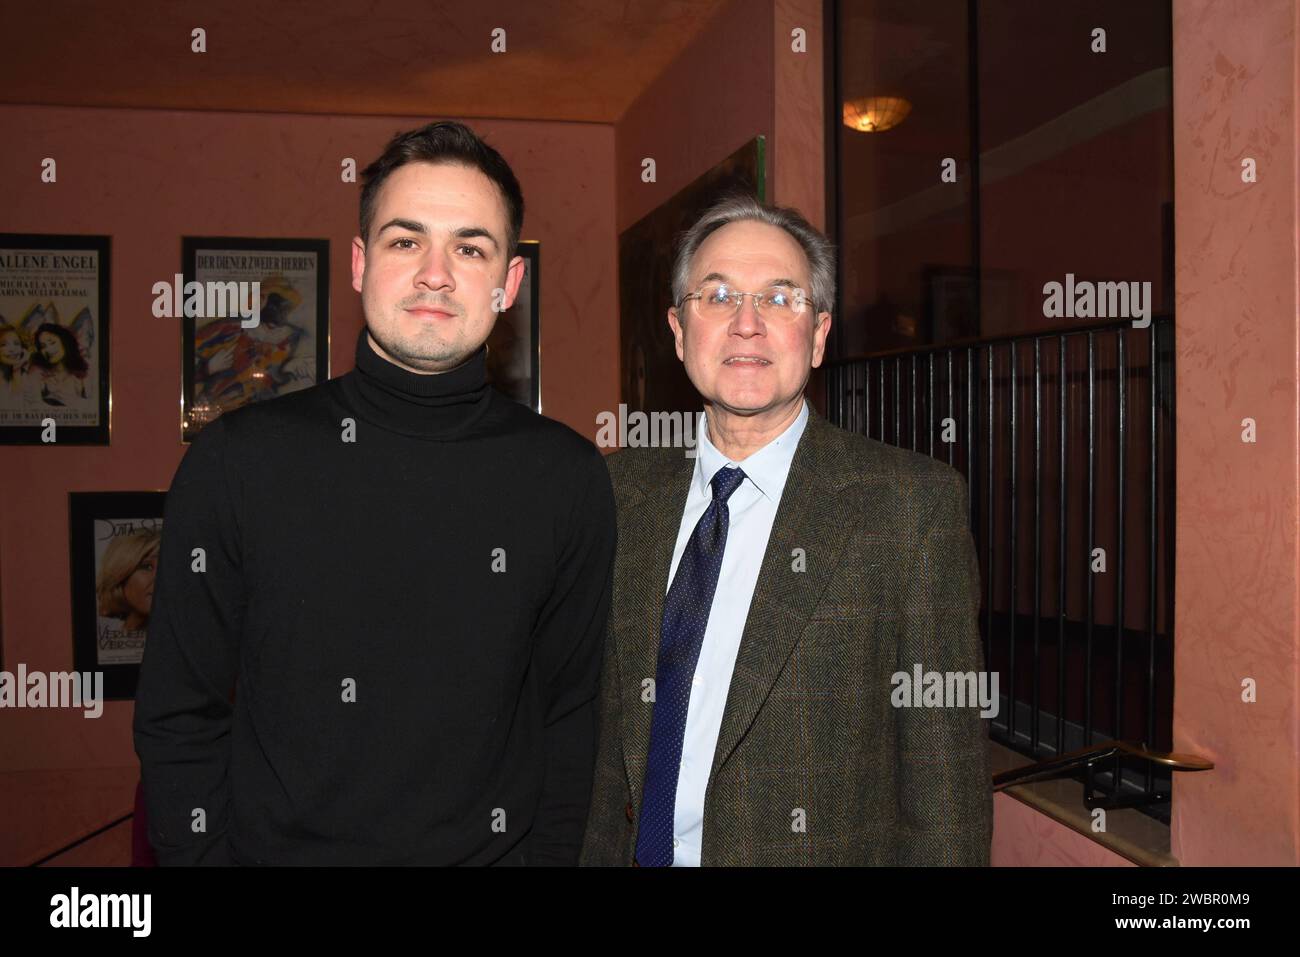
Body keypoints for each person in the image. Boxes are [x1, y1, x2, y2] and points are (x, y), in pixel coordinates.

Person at [134, 120, 616, 865]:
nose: (435, 272)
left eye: (470, 247)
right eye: (404, 240)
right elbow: (178, 715)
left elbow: (571, 718)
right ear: (359, 263)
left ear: (508, 282)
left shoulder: (569, 478)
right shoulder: (237, 462)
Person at [580, 194, 992, 866]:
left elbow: (945, 792)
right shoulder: (616, 493)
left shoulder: (909, 506)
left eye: (779, 298)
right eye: (717, 295)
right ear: (679, 331)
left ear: (820, 333)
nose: (746, 323)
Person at [31, 322, 89, 406]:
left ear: (64, 342)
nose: (48, 349)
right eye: (43, 346)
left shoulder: (82, 380)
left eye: (52, 343)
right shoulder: (42, 380)